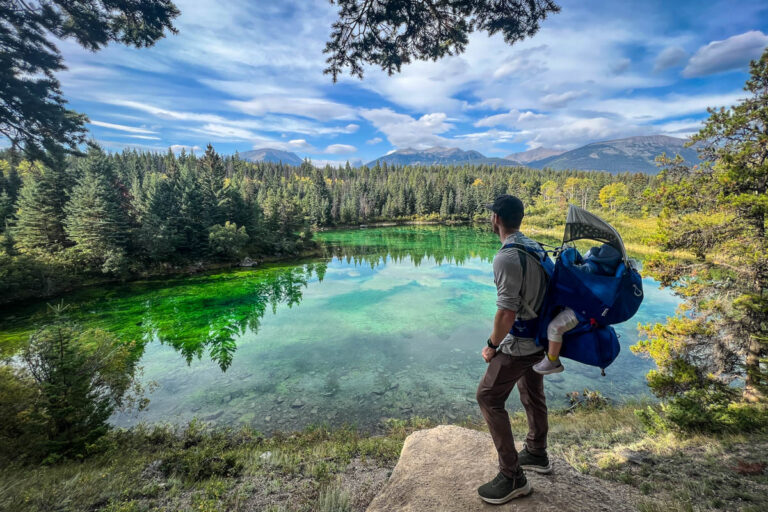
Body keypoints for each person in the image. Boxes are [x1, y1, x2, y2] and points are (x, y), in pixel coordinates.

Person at [476, 194, 551, 505]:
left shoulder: (506, 257)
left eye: (492, 215)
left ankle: (512, 477)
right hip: (542, 339)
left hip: (519, 344)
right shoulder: (534, 246)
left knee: (488, 396)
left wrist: (492, 346)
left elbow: (506, 312)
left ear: (496, 219)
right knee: (531, 389)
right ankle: (536, 452)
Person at [532, 243, 622, 375]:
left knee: (555, 328)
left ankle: (553, 361)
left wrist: (566, 254)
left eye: (600, 250)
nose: (595, 250)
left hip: (582, 311)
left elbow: (572, 271)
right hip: (590, 307)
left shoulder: (593, 268)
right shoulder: (609, 270)